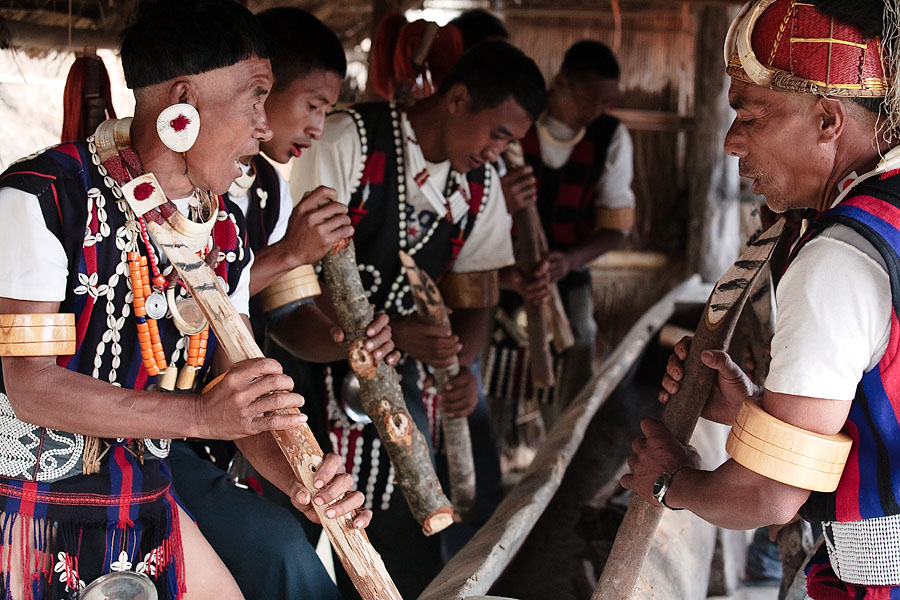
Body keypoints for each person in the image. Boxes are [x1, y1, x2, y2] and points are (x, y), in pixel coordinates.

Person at [0, 1, 369, 597]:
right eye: (255, 96)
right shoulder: (40, 200)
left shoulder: (223, 232)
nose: (265, 125)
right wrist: (200, 416)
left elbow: (245, 407)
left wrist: (305, 482)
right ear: (184, 101)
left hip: (145, 487)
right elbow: (31, 385)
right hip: (26, 502)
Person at [623, 1, 900, 598]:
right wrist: (759, 411)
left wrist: (672, 481)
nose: (730, 143)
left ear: (828, 121)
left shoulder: (839, 258)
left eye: (749, 117)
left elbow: (767, 495)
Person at [290, 40, 546, 598]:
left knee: (404, 537)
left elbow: (475, 293)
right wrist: (392, 334)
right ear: (457, 100)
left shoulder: (480, 185)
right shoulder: (347, 142)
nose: (499, 151)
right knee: (297, 525)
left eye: (511, 142)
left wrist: (462, 369)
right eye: (498, 133)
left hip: (396, 389)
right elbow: (295, 275)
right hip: (302, 362)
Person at [165, 8, 395, 600]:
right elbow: (194, 297)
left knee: (291, 546)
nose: (316, 125)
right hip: (161, 434)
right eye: (312, 104)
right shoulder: (92, 191)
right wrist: (292, 251)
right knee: (278, 553)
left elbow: (286, 319)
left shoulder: (263, 190)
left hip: (215, 430)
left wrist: (354, 345)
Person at [486, 40, 636, 433]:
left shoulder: (611, 137)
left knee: (571, 386)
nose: (597, 111)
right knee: (493, 381)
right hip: (501, 277)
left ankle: (559, 476)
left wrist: (568, 261)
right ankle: (486, 478)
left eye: (607, 102)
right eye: (590, 98)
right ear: (561, 82)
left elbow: (616, 231)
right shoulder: (515, 127)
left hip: (569, 278)